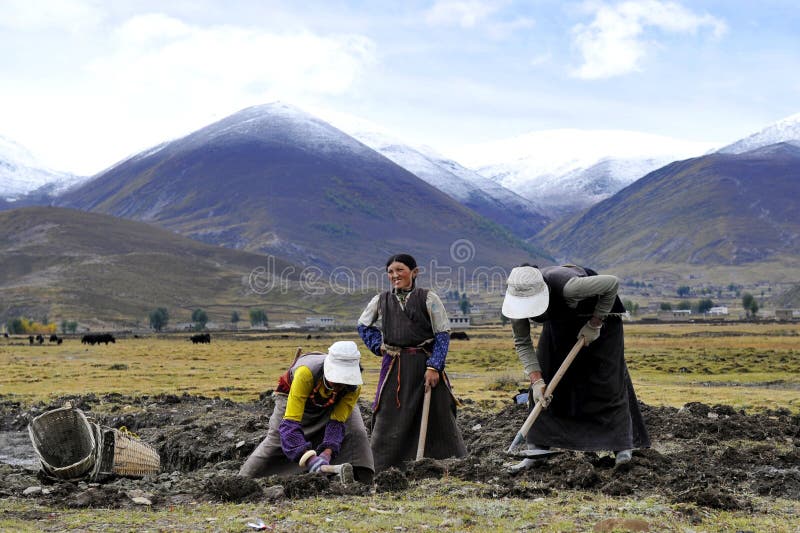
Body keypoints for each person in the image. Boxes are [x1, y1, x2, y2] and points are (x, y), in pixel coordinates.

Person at [502, 264, 650, 471]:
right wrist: (536, 381)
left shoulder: (569, 287)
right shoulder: (516, 300)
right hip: (559, 323)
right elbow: (522, 342)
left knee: (605, 382)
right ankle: (536, 451)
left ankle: (621, 448)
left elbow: (611, 283)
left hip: (602, 317)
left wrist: (595, 323)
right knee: (544, 386)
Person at [358, 253, 466, 472]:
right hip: (395, 366)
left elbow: (442, 333)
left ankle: (445, 462)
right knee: (388, 413)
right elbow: (363, 325)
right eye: (390, 272)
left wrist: (434, 366)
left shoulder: (428, 298)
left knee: (439, 411)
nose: (394, 275)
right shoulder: (381, 300)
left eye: (400, 270)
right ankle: (383, 465)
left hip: (424, 364)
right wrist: (378, 346)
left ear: (414, 273)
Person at [238, 341, 374, 482]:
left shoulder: (353, 388)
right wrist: (310, 459)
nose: (340, 387)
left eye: (345, 382)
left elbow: (337, 423)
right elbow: (289, 425)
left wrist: (326, 454)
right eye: (337, 381)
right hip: (292, 398)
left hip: (333, 403)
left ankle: (363, 482)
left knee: (356, 432)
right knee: (277, 439)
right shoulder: (306, 373)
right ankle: (243, 480)